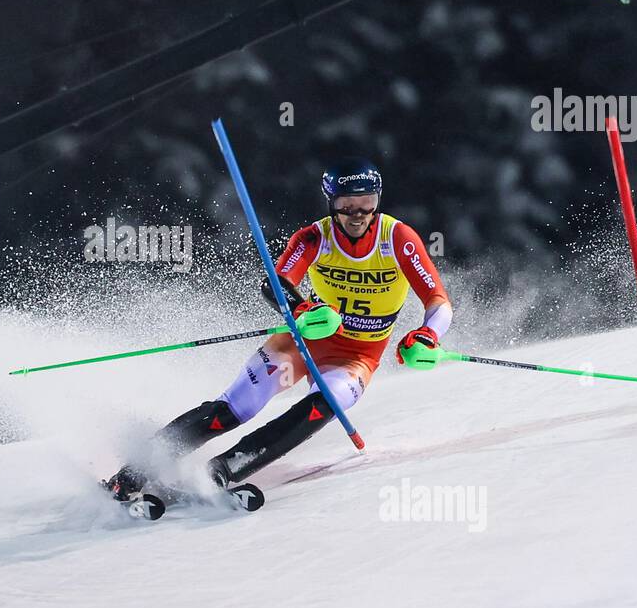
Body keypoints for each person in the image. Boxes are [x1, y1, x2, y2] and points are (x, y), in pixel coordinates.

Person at [105, 158, 452, 498]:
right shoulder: (314, 238)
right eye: (348, 206)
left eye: (367, 204)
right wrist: (302, 308)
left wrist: (428, 335)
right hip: (302, 344)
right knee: (235, 409)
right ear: (332, 203)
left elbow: (438, 301)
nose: (358, 215)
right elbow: (274, 284)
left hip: (357, 356)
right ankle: (133, 473)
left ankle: (222, 471)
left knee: (322, 406)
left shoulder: (398, 238)